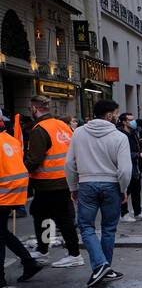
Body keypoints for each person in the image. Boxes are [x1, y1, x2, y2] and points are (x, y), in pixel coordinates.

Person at [66, 100, 133, 287]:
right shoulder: (119, 137)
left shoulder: (78, 133)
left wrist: (73, 186)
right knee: (109, 228)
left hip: (86, 183)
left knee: (86, 226)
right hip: (111, 184)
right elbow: (125, 170)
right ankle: (105, 266)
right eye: (116, 113)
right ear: (109, 115)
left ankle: (100, 266)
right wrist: (123, 189)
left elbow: (69, 164)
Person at [24, 104, 82, 268]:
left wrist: (22, 171)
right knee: (45, 214)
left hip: (48, 181)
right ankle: (45, 250)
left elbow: (34, 159)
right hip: (64, 179)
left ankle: (72, 254)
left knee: (53, 216)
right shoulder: (62, 125)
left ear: (35, 108)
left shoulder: (40, 129)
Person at [0, 113, 42, 288]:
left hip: (3, 193)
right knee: (2, 232)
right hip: (14, 192)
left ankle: (2, 276)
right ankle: (28, 262)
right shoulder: (10, 139)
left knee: (0, 234)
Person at [117, 112, 142, 222]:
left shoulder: (133, 133)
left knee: (136, 190)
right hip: (126, 165)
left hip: (135, 165)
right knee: (126, 190)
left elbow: (136, 148)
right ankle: (124, 213)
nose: (133, 121)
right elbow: (122, 153)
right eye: (130, 120)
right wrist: (137, 155)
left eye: (133, 119)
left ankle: (138, 212)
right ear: (124, 122)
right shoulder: (121, 135)